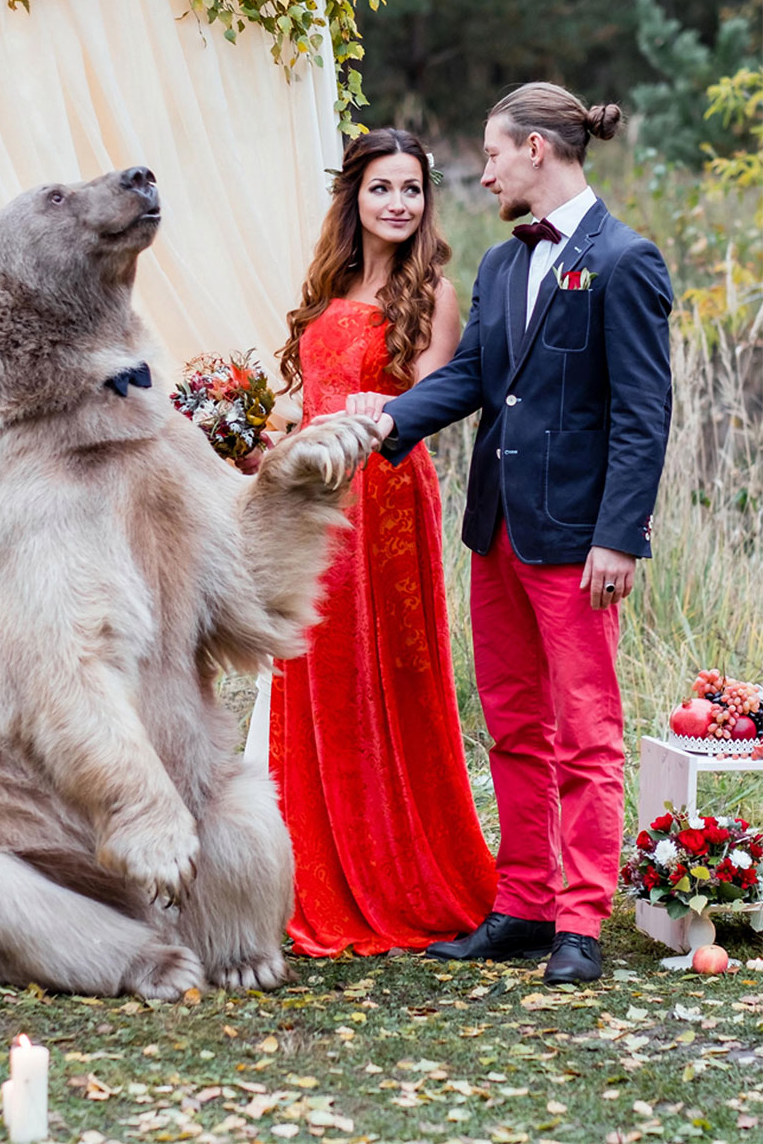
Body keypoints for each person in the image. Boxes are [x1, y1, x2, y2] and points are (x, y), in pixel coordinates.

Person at [349, 84, 673, 984]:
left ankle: (580, 924)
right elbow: (477, 382)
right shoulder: (500, 264)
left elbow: (644, 416)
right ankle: (525, 905)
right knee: (515, 726)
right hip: (495, 531)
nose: (481, 171)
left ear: (536, 149)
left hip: (579, 541)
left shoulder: (626, 260)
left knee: (588, 733)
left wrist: (620, 535)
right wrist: (387, 423)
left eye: (491, 155)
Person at [269, 127, 497, 957]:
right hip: (311, 492)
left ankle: (398, 867)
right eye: (382, 189)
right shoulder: (327, 285)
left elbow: (436, 392)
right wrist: (252, 424)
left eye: (411, 190)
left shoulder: (433, 291)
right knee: (313, 665)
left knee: (386, 674)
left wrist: (367, 413)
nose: (398, 204)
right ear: (355, 198)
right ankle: (309, 862)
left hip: (385, 491)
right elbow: (308, 397)